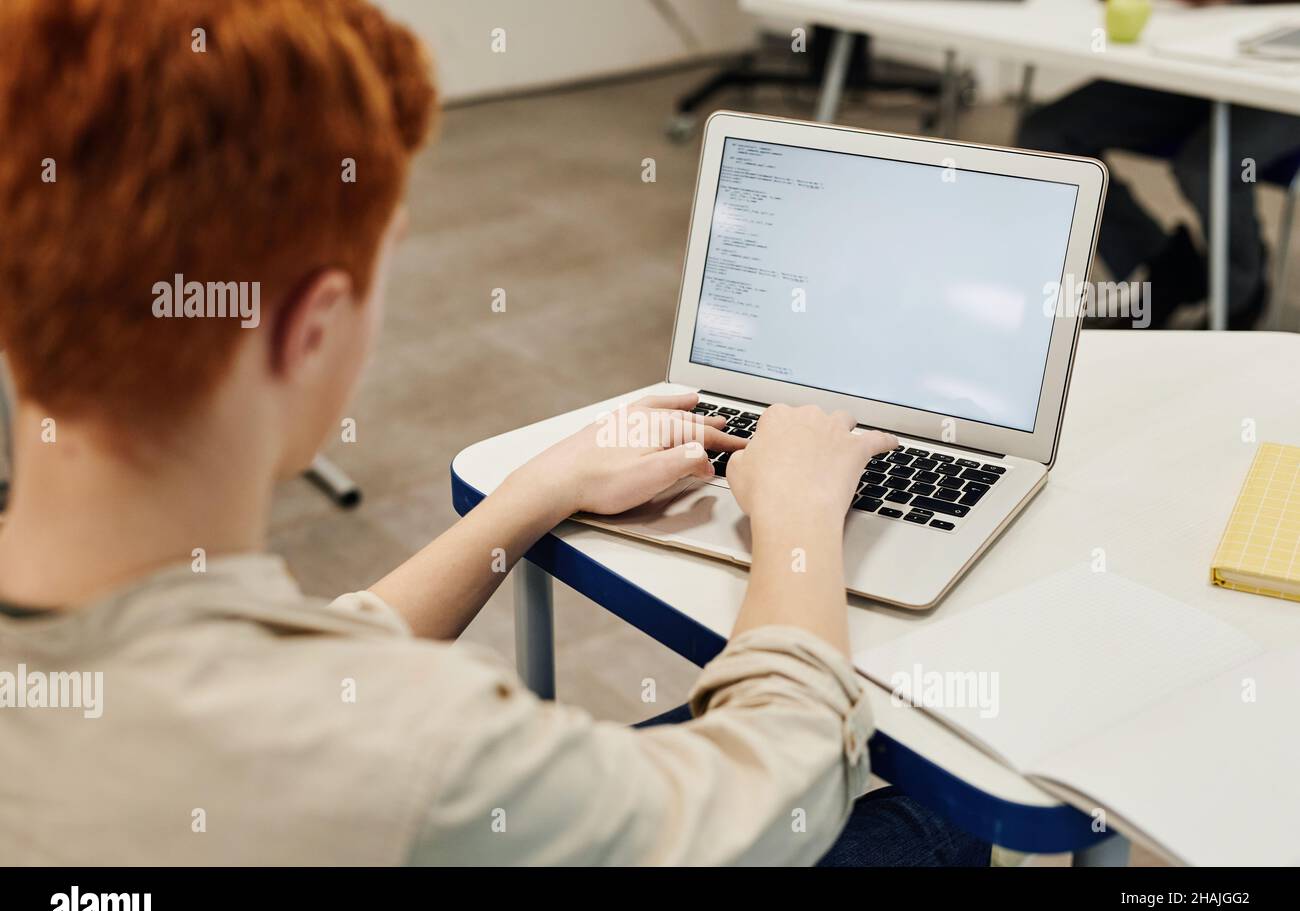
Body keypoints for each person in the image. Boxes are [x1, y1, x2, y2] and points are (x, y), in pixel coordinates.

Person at [0, 0, 987, 866]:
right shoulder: (421, 749)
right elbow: (777, 792)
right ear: (311, 328)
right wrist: (802, 518)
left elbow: (279, 675)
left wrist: (534, 492)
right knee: (942, 813)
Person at [1017, 4, 1300, 330]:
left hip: (1281, 78)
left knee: (1209, 167)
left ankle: (1240, 293)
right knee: (1047, 135)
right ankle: (1165, 268)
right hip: (1192, 58)